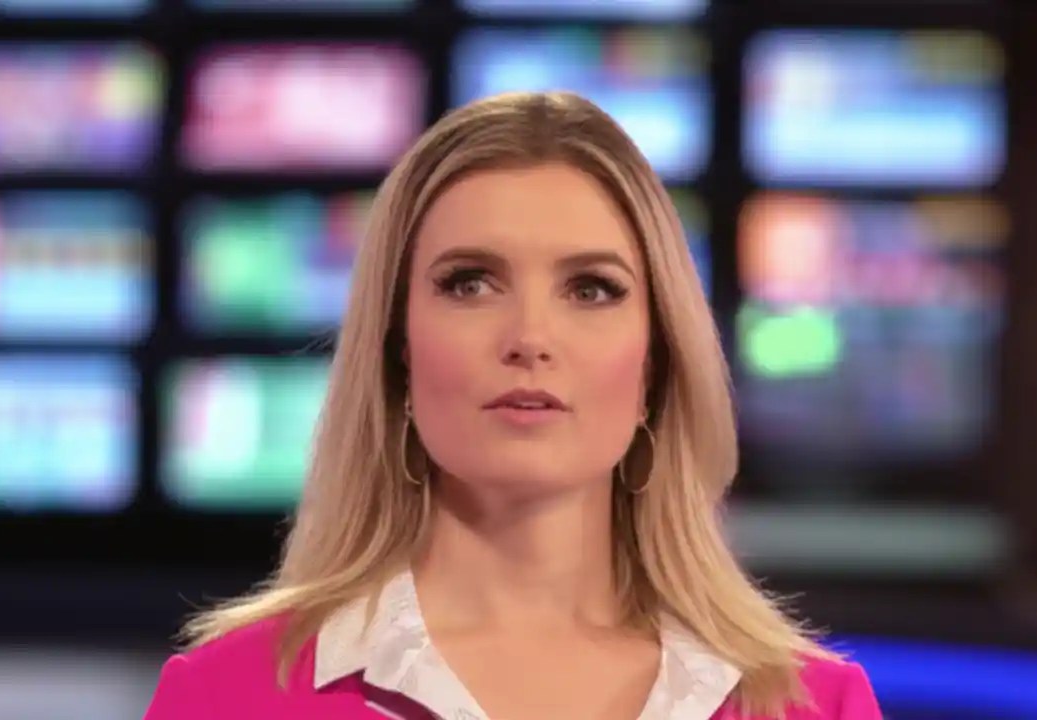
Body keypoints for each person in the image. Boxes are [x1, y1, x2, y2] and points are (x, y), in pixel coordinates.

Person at [143, 91, 882, 720]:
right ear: (398, 346)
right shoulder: (229, 695)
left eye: (591, 289)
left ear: (656, 360)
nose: (530, 339)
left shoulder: (811, 704)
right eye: (470, 283)